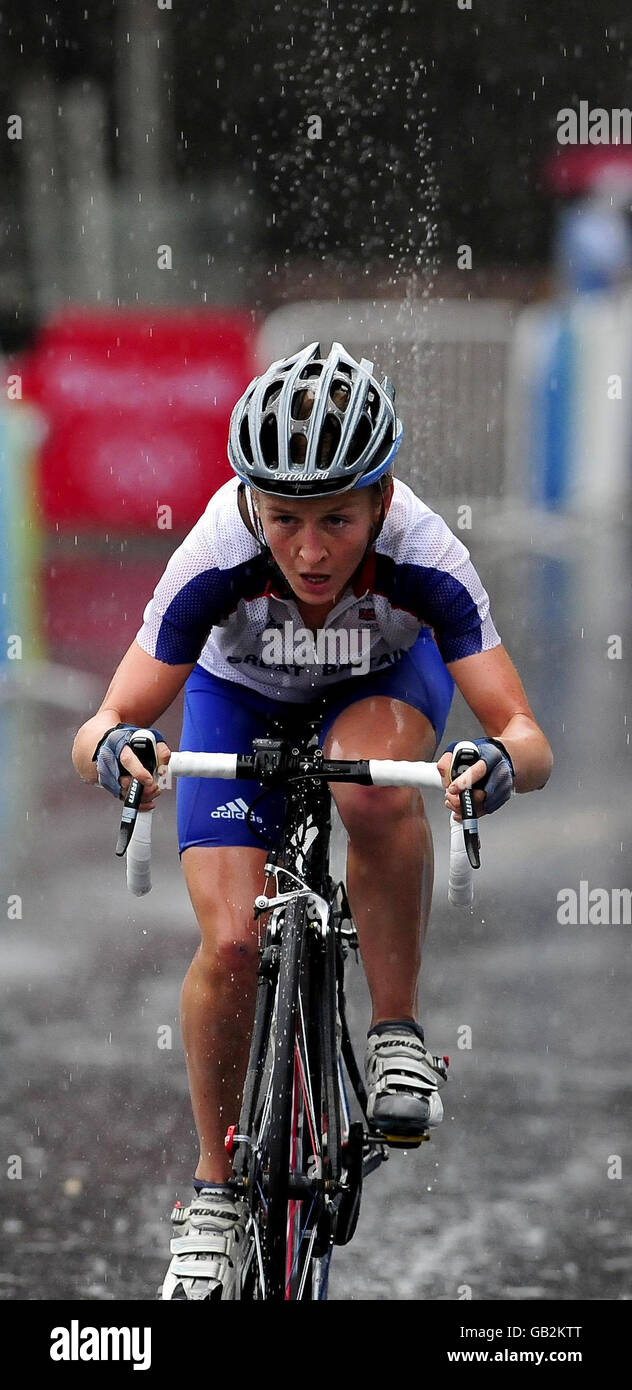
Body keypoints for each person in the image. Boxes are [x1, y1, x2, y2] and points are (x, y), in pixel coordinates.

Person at [71, 341, 553, 1300]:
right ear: (252, 502)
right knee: (236, 944)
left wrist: (492, 764)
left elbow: (528, 737)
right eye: (286, 519)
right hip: (239, 702)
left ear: (382, 500)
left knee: (370, 787)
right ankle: (215, 1190)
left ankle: (399, 1033)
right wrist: (115, 752)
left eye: (338, 519)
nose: (312, 550)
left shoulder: (424, 551)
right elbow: (102, 721)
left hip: (378, 694)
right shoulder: (217, 546)